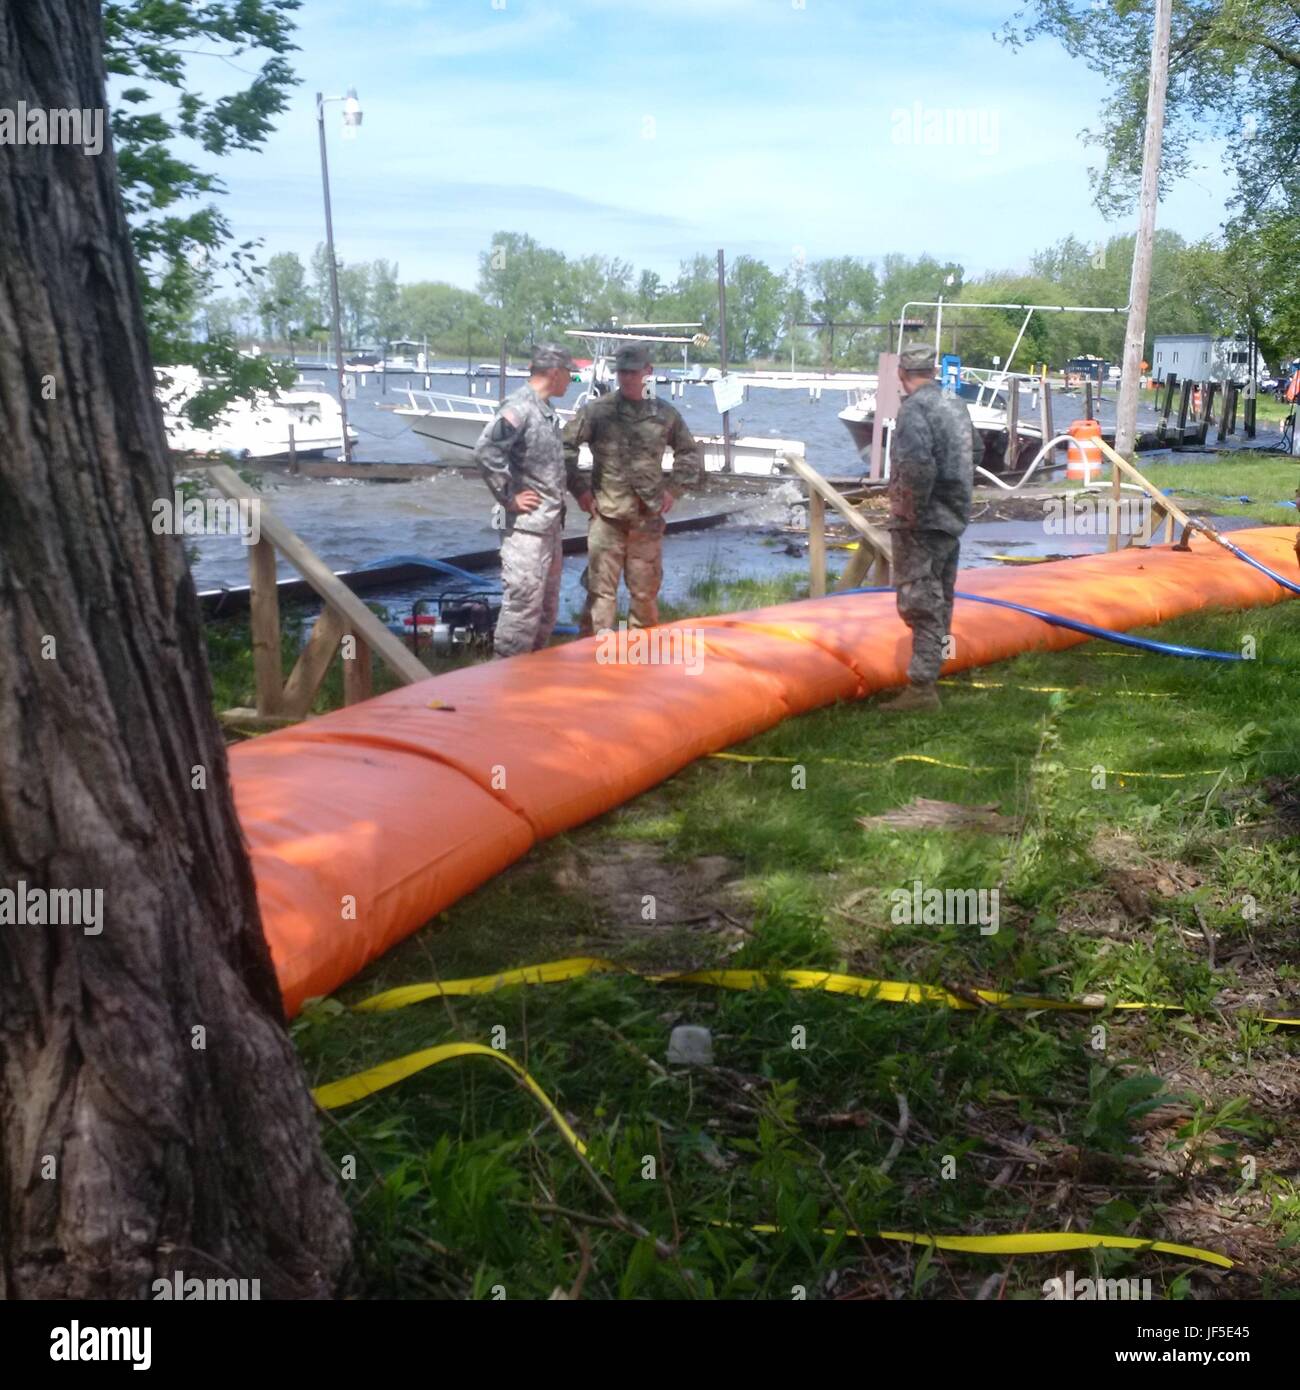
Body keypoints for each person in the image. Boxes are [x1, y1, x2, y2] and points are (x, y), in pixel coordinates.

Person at [563, 342, 701, 633]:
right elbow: (564, 448)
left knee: (644, 597)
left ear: (647, 372)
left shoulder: (665, 414)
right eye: (621, 372)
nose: (626, 378)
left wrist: (673, 489)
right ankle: (594, 660)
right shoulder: (598, 412)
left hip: (646, 521)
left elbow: (689, 454)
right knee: (600, 594)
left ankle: (640, 664)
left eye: (632, 372)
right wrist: (580, 490)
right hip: (607, 519)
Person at [878, 342, 978, 713]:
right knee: (942, 595)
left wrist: (907, 513)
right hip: (952, 518)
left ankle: (921, 688)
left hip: (921, 521)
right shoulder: (956, 406)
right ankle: (936, 668)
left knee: (919, 602)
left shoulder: (914, 411)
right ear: (934, 372)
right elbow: (977, 452)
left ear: (901, 374)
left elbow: (917, 466)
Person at [472, 342, 585, 658]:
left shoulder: (545, 410)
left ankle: (530, 680)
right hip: (526, 531)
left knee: (545, 612)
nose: (570, 381)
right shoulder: (520, 408)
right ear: (553, 372)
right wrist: (509, 497)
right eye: (569, 376)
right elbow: (485, 451)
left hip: (548, 528)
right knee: (522, 611)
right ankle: (505, 680)